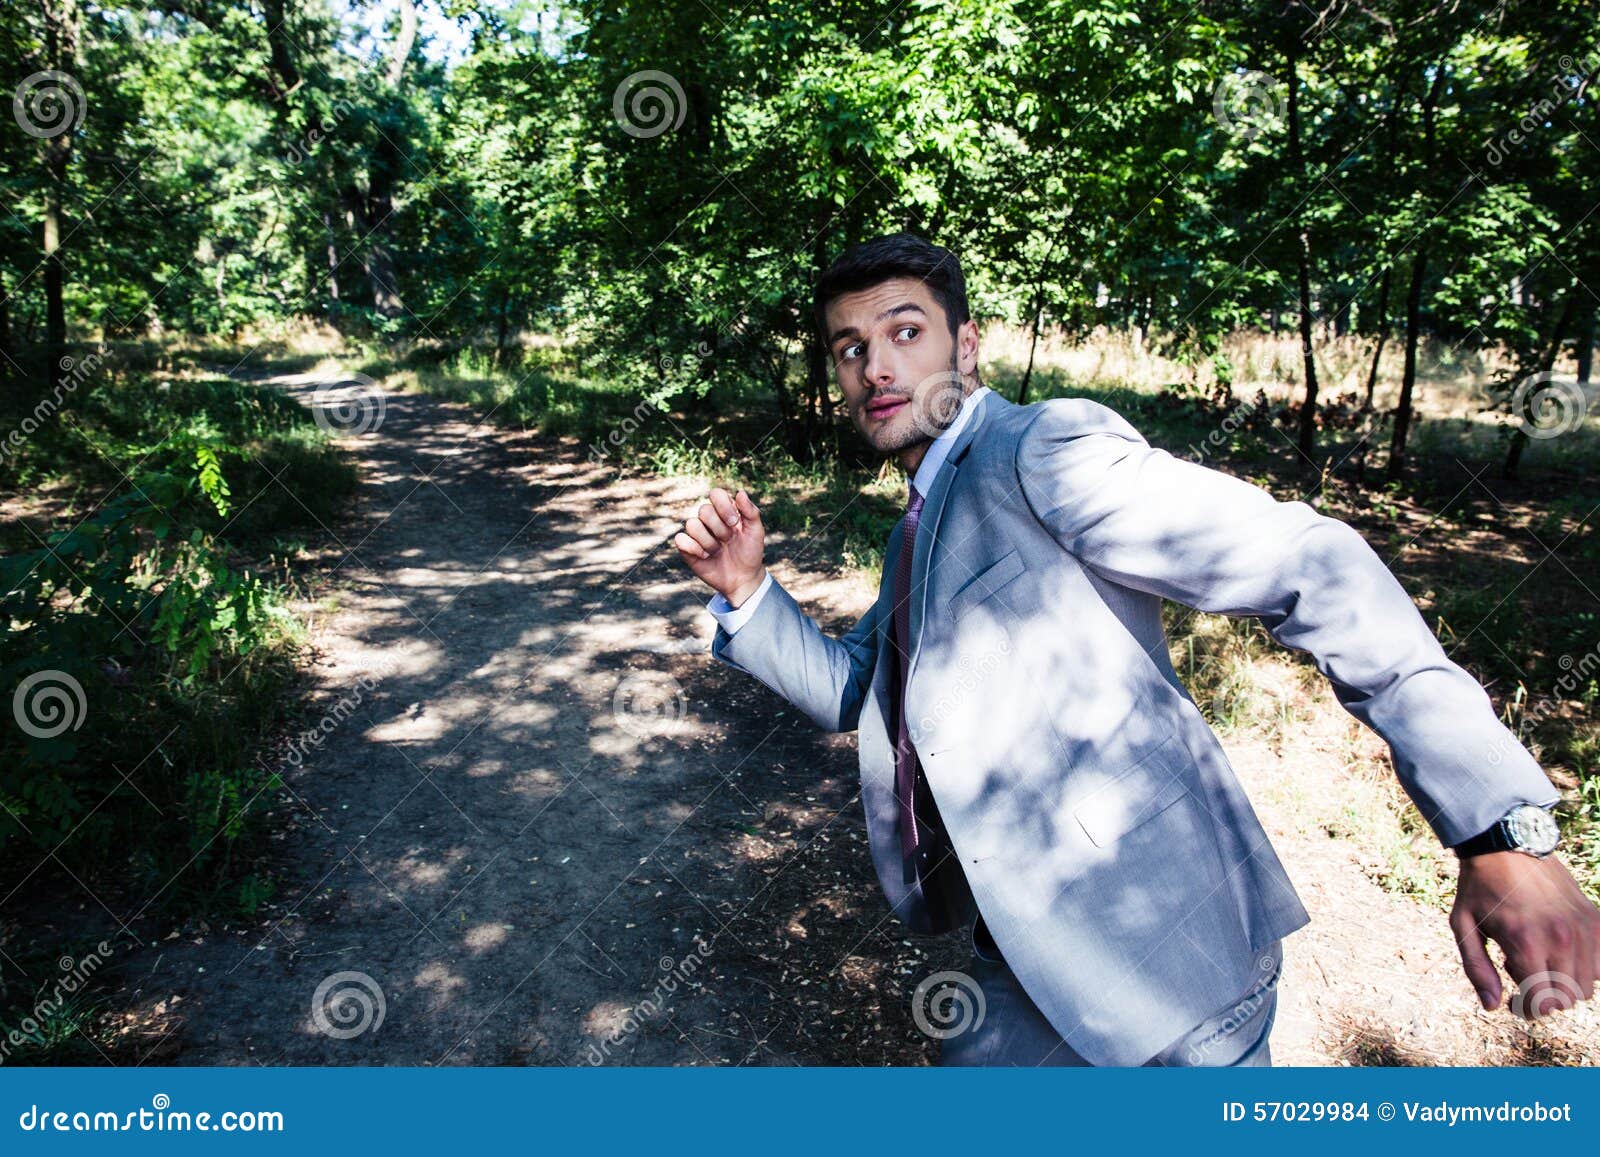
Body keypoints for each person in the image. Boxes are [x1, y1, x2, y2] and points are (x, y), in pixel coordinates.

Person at [669, 231, 1599, 1066]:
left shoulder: (1041, 449)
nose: (877, 365)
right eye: (850, 348)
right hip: (1019, 956)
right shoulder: (916, 522)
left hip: (1164, 963)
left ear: (967, 344)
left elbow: (1310, 563)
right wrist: (748, 592)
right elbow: (858, 690)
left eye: (905, 332)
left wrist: (1496, 825)